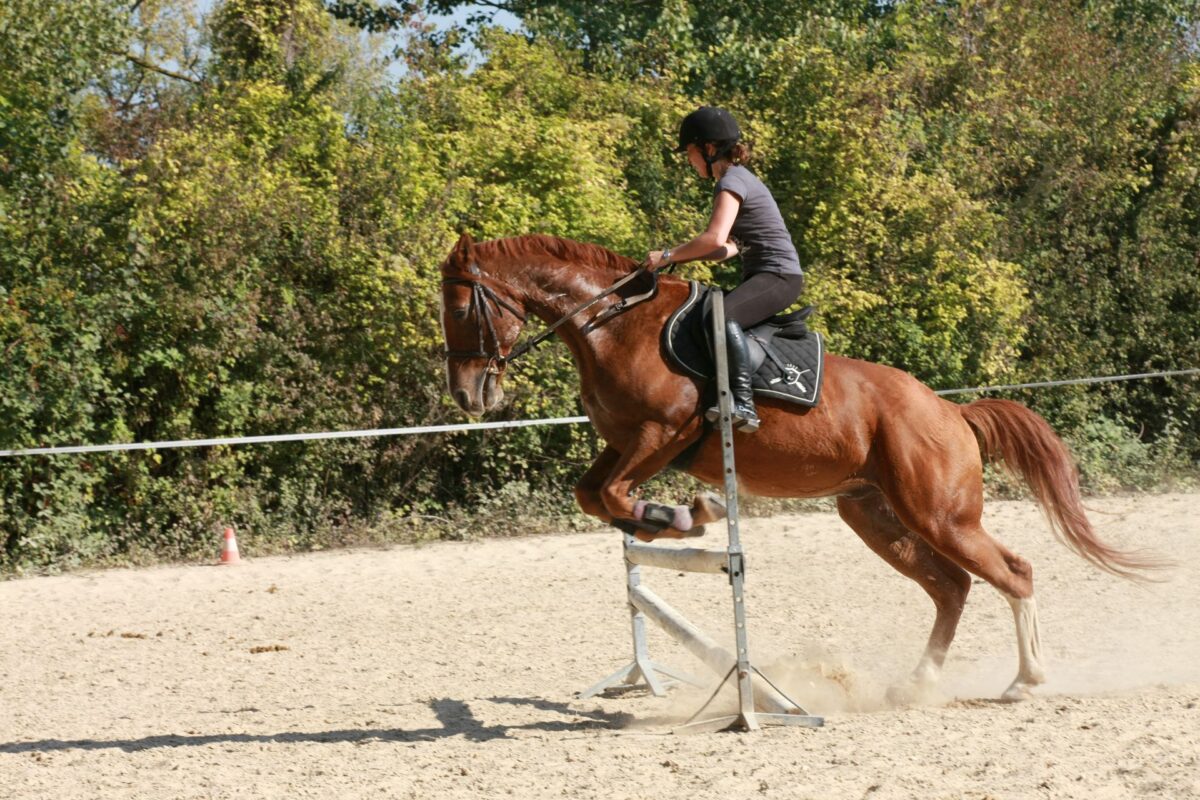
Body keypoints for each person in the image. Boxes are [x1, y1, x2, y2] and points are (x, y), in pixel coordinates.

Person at [647, 106, 804, 433]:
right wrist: (684, 256)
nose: (689, 160)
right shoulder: (737, 179)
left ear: (708, 148)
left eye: (689, 151)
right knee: (711, 313)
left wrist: (666, 254)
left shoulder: (731, 180)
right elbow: (724, 248)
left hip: (777, 276)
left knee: (719, 317)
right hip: (770, 274)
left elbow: (713, 238)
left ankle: (743, 403)